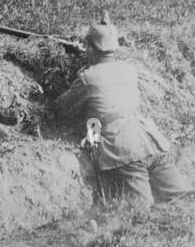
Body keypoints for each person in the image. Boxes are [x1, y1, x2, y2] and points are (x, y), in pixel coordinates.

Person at [52, 12, 185, 204]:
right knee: (182, 200)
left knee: (141, 214)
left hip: (125, 152)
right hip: (151, 142)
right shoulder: (129, 69)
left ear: (89, 47)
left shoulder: (88, 77)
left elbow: (60, 109)